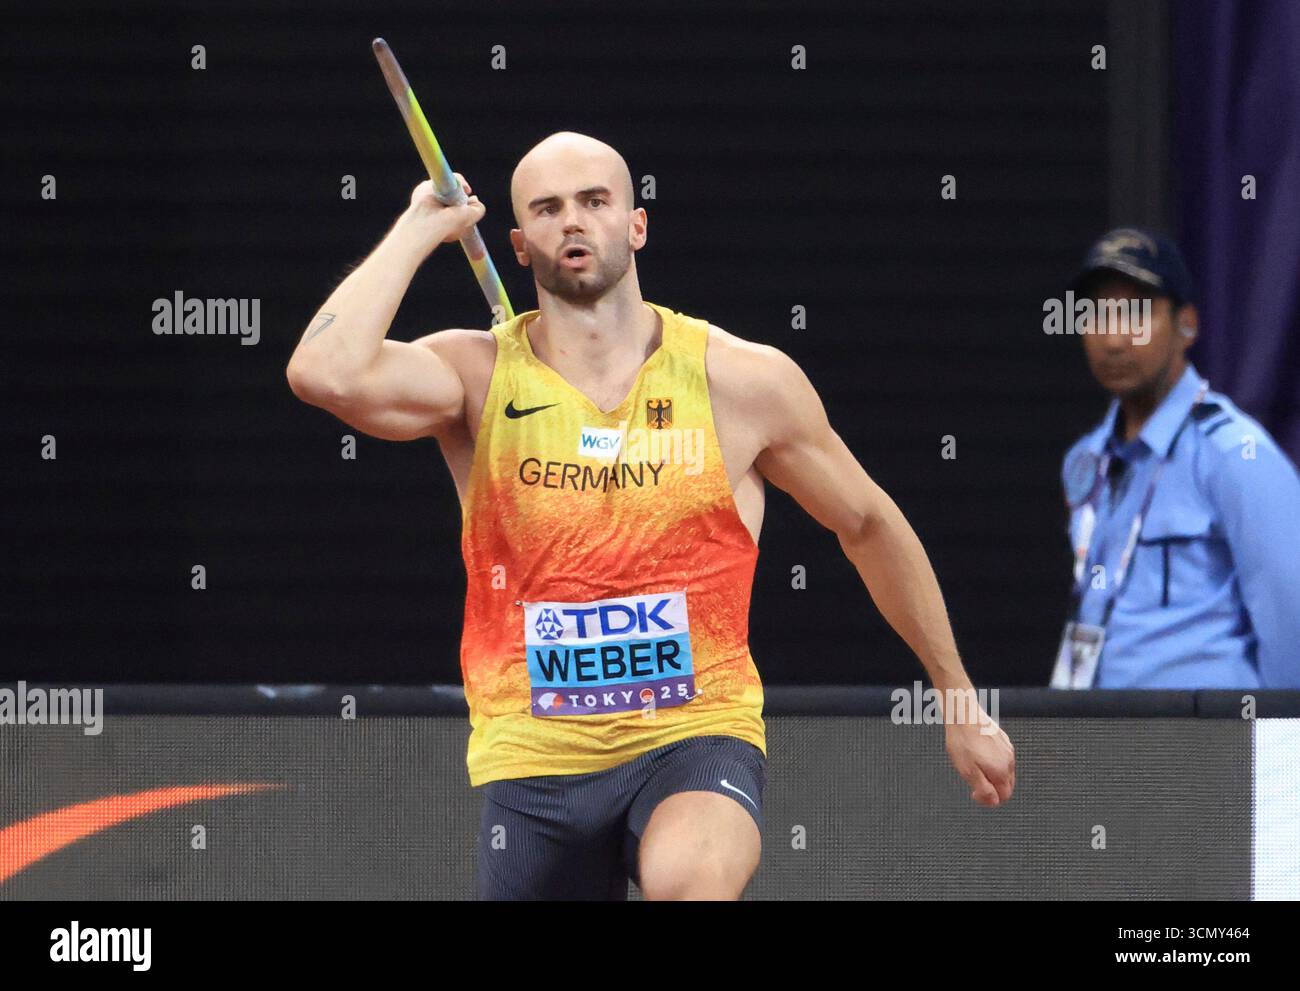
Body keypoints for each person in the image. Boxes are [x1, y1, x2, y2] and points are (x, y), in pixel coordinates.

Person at [286, 131, 1014, 900]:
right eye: (548, 208)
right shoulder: (473, 377)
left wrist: (956, 695)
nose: (573, 221)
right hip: (533, 762)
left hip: (694, 736)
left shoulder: (740, 380)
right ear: (518, 244)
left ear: (636, 224)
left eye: (595, 201)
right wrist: (418, 228)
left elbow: (867, 524)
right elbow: (320, 372)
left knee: (689, 882)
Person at [1053, 227, 1300, 690]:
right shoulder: (1085, 462)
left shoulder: (1235, 454)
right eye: (1096, 315)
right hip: (1097, 736)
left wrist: (1279, 756)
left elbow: (1293, 627)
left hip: (1204, 745)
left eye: (1136, 315)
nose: (1113, 340)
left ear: (1187, 324)